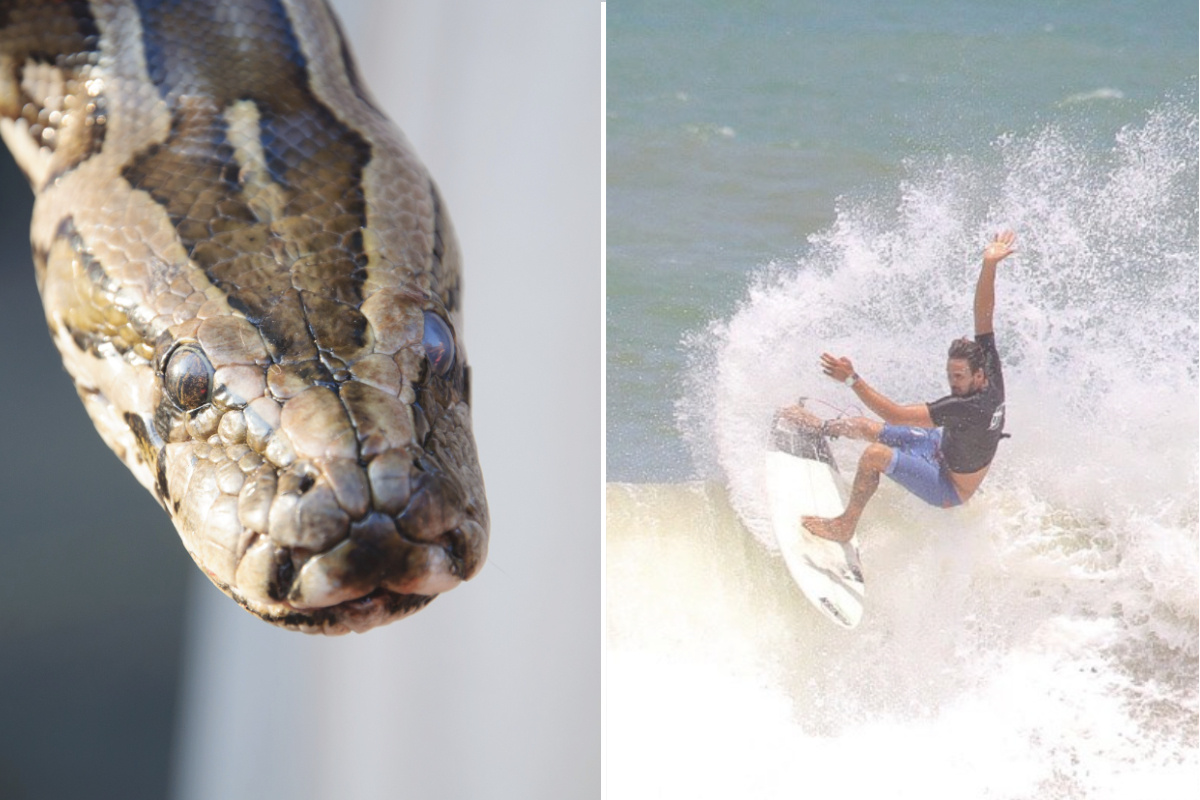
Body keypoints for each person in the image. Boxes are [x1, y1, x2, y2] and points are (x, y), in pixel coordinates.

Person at [784, 231, 1015, 543]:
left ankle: (844, 526)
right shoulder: (989, 370)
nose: (952, 383)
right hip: (939, 446)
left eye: (959, 377)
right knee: (865, 426)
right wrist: (990, 266)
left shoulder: (967, 407)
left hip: (949, 486)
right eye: (950, 375)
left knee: (875, 455)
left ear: (976, 377)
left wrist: (852, 379)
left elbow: (897, 415)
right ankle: (820, 427)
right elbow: (984, 314)